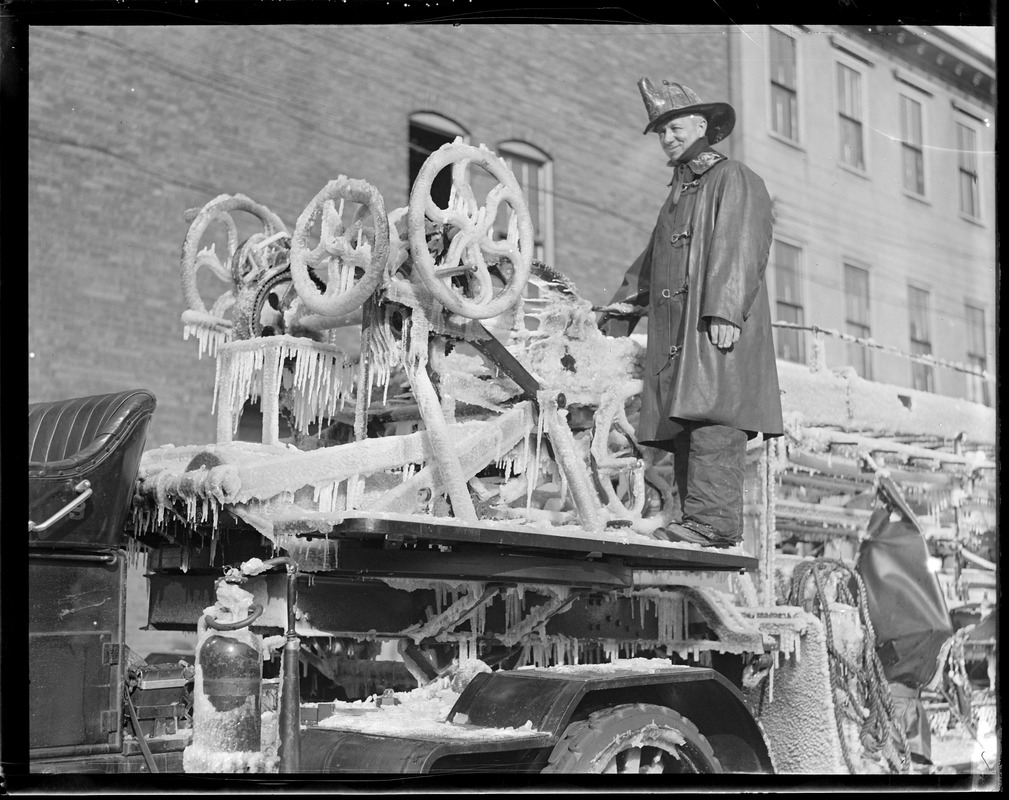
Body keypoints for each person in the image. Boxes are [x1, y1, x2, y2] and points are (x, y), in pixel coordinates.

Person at [602, 78, 783, 548]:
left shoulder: (733, 177)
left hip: (714, 332)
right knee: (688, 423)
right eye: (661, 132)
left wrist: (725, 311)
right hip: (683, 340)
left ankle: (714, 525)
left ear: (701, 125)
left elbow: (742, 244)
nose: (668, 138)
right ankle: (695, 522)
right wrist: (616, 316)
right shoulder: (679, 194)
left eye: (675, 127)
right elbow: (651, 266)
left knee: (713, 419)